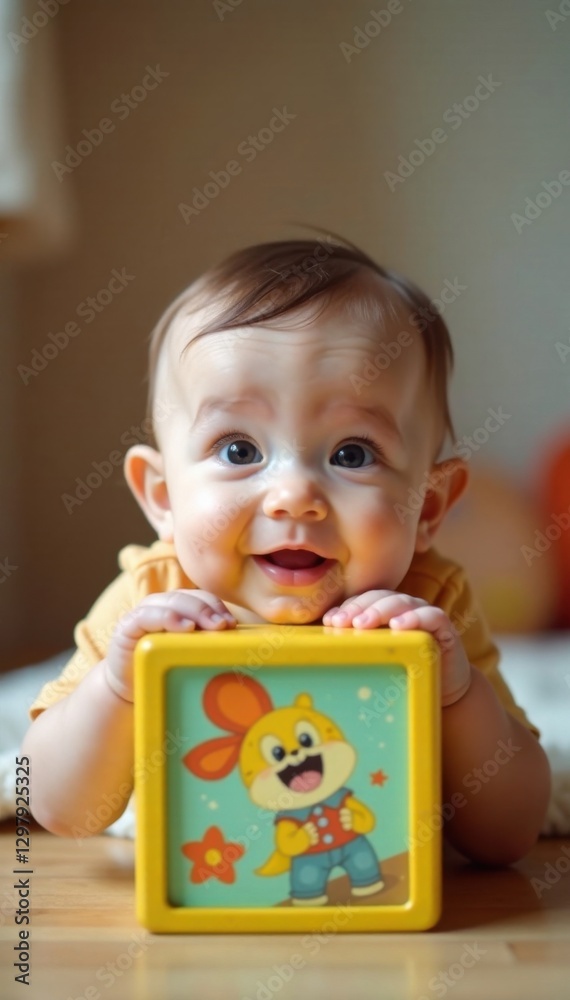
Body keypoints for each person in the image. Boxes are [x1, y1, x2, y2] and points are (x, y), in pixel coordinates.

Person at [23, 234, 551, 863]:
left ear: (428, 507)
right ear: (162, 497)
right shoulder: (153, 597)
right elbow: (57, 808)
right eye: (239, 450)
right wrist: (116, 687)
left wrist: (458, 697)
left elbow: (509, 833)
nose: (294, 496)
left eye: (351, 453)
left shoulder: (428, 603)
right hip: (210, 869)